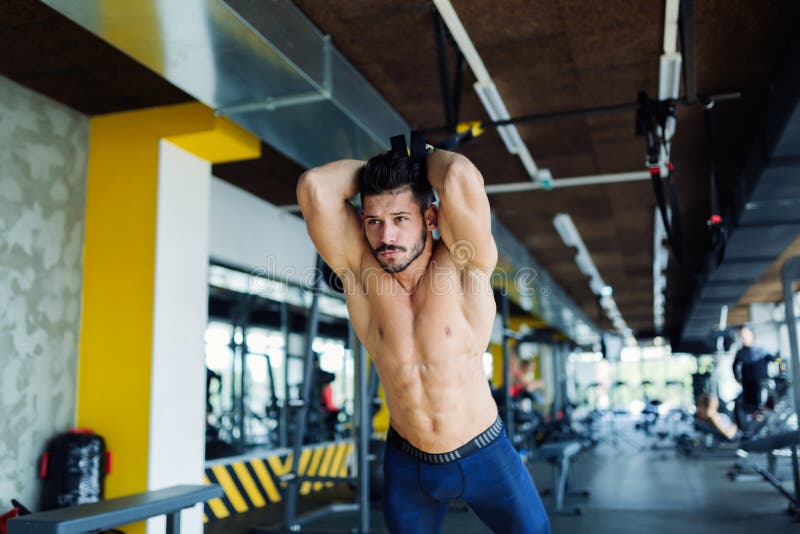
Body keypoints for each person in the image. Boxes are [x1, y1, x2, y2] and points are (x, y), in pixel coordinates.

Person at [297, 144, 549, 534]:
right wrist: (376, 170)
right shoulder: (361, 274)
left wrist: (421, 159)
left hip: (485, 454)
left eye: (400, 218)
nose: (387, 235)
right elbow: (314, 187)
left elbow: (458, 176)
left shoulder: (463, 263)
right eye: (374, 221)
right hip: (408, 463)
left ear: (429, 216)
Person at [733, 326, 778, 425]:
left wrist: (780, 363)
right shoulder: (740, 353)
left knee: (763, 403)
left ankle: (762, 418)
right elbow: (734, 366)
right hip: (747, 385)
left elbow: (774, 359)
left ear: (752, 336)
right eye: (742, 336)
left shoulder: (762, 351)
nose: (743, 338)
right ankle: (753, 420)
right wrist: (737, 378)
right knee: (748, 405)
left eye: (745, 335)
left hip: (761, 384)